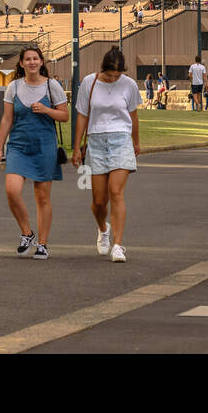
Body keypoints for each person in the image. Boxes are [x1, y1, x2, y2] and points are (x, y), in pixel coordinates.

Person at [0, 46, 70, 259]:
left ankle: (42, 244)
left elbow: (64, 116)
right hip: (18, 146)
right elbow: (7, 119)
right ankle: (27, 233)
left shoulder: (52, 86)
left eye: (36, 59)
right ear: (22, 63)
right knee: (12, 191)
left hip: (44, 147)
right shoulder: (13, 87)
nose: (32, 62)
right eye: (28, 59)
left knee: (42, 197)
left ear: (42, 62)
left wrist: (46, 110)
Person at [72, 47, 140, 263]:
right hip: (96, 141)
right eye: (110, 75)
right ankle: (103, 229)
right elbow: (82, 116)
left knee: (116, 192)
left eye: (117, 76)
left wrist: (136, 142)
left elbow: (133, 115)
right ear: (102, 69)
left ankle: (118, 246)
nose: (113, 79)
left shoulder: (129, 85)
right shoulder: (89, 83)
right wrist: (76, 147)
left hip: (121, 140)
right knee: (99, 201)